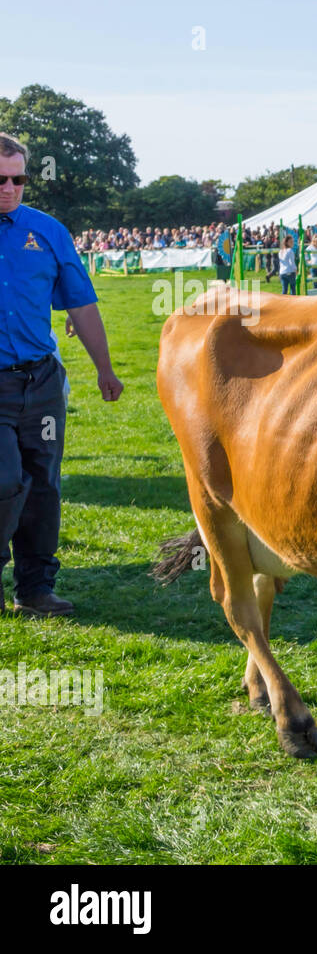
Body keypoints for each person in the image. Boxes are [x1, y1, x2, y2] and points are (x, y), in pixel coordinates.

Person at [0, 131, 124, 616]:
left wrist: (104, 369)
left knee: (44, 482)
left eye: (17, 179)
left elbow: (82, 304)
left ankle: (34, 588)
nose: (8, 187)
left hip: (41, 382)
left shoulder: (48, 231)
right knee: (5, 477)